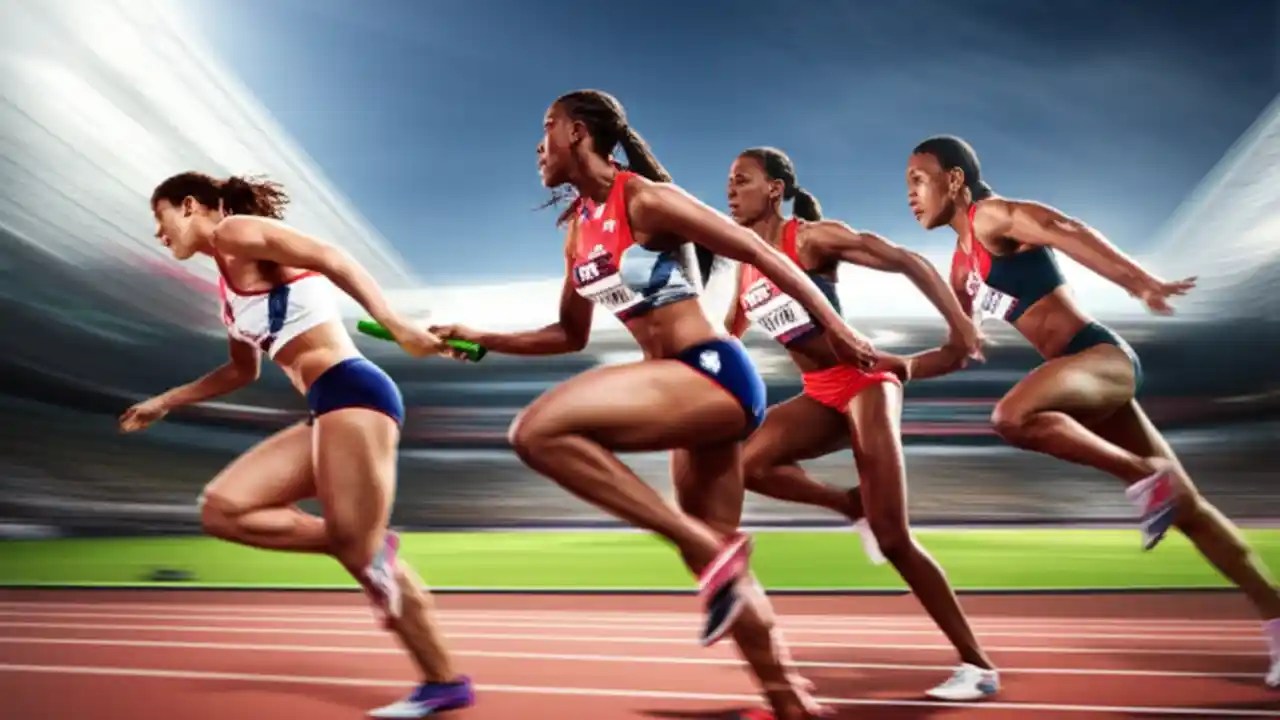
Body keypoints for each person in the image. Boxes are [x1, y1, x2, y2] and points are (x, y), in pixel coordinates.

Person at [430, 90, 877, 719]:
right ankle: (790, 699)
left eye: (547, 127)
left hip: (711, 374)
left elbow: (763, 254)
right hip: (676, 392)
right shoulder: (580, 230)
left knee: (536, 432)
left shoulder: (643, 199)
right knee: (719, 560)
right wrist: (484, 338)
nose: (538, 144)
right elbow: (570, 335)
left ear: (578, 133)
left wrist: (840, 329)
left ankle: (702, 545)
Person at [905, 135, 1280, 688]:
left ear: (954, 180)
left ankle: (1141, 478)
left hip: (1099, 358)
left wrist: (1139, 282)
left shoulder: (994, 217)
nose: (909, 195)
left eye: (917, 179)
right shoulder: (962, 268)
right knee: (1190, 510)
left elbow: (1066, 230)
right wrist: (893, 366)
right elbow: (962, 343)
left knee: (1011, 417)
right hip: (1076, 378)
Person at [122, 171, 474, 718]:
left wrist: (397, 326)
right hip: (326, 407)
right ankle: (360, 545)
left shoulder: (236, 232)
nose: (159, 233)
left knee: (361, 553)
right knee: (223, 509)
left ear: (189, 205)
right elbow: (240, 371)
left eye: (159, 217)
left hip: (353, 391)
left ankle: (443, 680)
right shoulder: (227, 293)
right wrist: (167, 400)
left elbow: (332, 255)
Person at [720, 146, 998, 701]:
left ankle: (978, 666)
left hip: (867, 384)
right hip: (820, 394)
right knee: (749, 462)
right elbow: (729, 333)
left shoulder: (813, 239)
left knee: (895, 538)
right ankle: (852, 507)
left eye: (741, 181)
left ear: (774, 189)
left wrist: (960, 329)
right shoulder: (747, 260)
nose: (729, 191)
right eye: (727, 182)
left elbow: (907, 260)